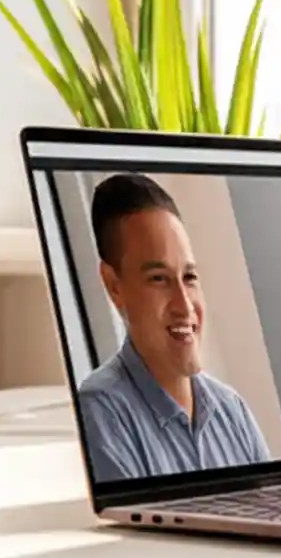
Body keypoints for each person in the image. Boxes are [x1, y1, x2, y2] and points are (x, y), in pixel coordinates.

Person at [79, 173, 270, 482]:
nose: (184, 305)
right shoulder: (100, 414)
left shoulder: (232, 409)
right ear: (114, 286)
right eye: (159, 279)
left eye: (189, 277)